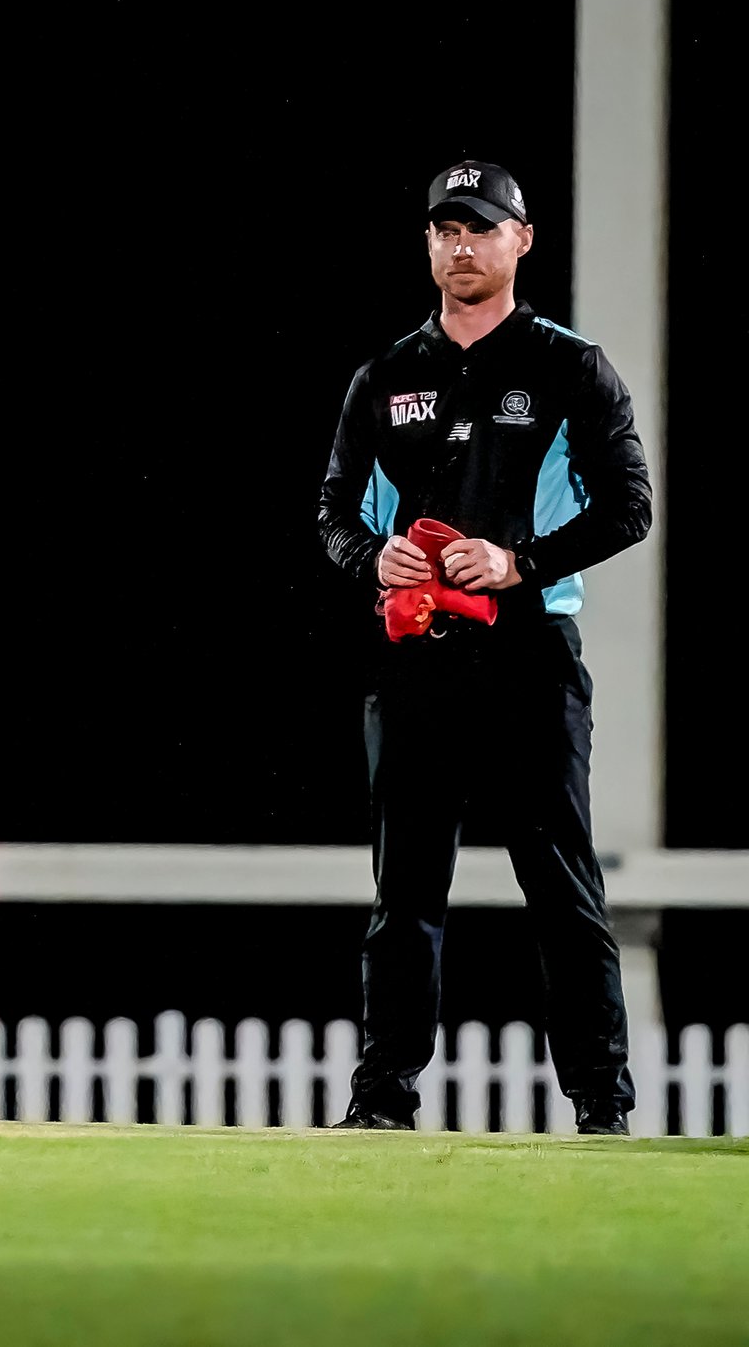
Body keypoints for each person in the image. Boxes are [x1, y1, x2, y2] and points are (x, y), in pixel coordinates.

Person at [317, 159, 652, 1135]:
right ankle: (379, 1104)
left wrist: (519, 562)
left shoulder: (567, 365)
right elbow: (331, 510)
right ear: (427, 244)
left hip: (529, 653)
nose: (458, 244)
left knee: (560, 884)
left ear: (520, 239)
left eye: (478, 227)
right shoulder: (384, 376)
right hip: (415, 660)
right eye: (442, 229)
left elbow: (630, 508)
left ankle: (600, 1106)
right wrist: (367, 556)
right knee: (403, 891)